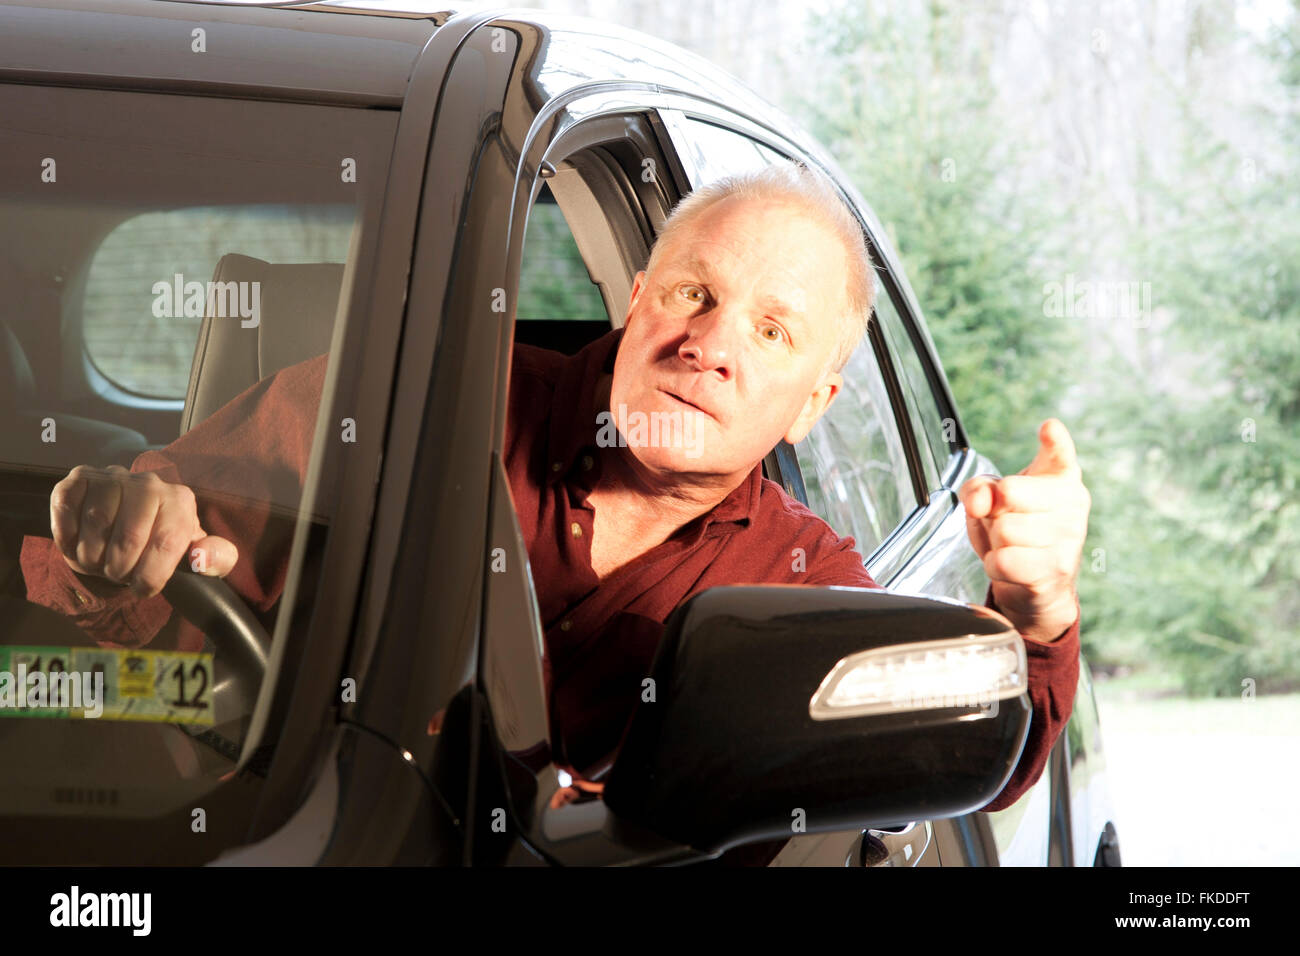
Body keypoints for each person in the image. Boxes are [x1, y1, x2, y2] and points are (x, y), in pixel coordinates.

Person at [20, 161, 1090, 847]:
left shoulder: (802, 583)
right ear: (634, 304)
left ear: (811, 405)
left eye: (771, 330)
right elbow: (123, 579)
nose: (710, 345)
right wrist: (124, 519)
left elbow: (965, 759)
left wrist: (1034, 612)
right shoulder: (387, 410)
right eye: (692, 293)